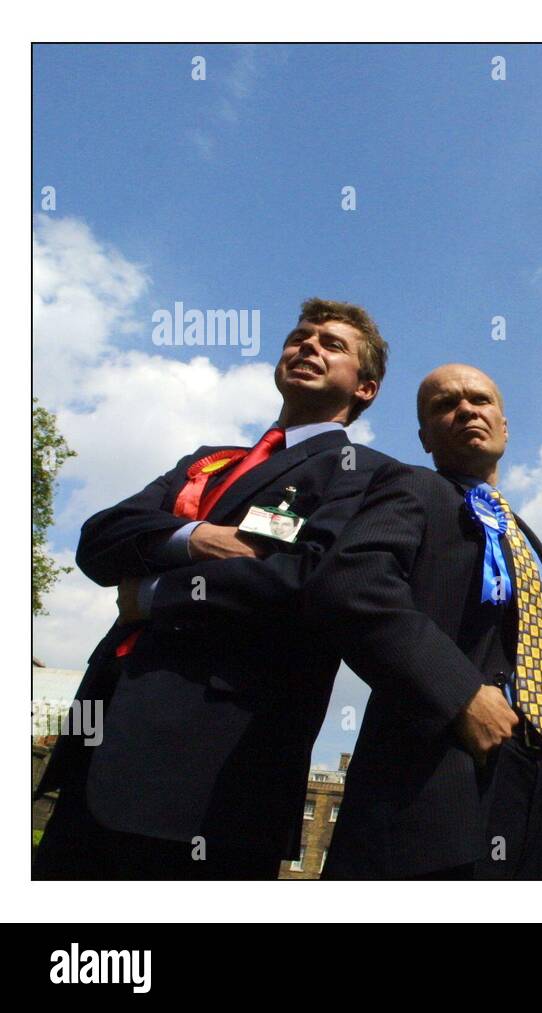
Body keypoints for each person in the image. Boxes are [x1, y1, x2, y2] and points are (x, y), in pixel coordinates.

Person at [33, 298, 397, 879]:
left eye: (333, 344)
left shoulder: (367, 474)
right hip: (99, 748)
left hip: (216, 773)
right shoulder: (209, 460)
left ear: (367, 388)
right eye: (300, 336)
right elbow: (100, 540)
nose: (308, 347)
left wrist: (150, 596)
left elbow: (304, 579)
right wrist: (197, 536)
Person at [307, 364, 542, 879]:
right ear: (423, 437)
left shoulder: (526, 539)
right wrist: (459, 692)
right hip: (439, 777)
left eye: (480, 399)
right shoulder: (411, 488)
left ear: (504, 425)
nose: (466, 409)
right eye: (445, 404)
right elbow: (352, 585)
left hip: (535, 790)